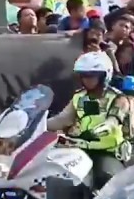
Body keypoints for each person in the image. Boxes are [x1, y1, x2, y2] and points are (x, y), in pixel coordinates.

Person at [46, 52, 129, 187]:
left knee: (108, 178)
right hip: (80, 148)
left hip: (107, 151)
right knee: (61, 175)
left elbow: (114, 119)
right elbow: (62, 119)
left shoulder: (118, 98)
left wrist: (105, 127)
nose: (87, 79)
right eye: (84, 76)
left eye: (92, 76)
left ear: (104, 76)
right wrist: (37, 124)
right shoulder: (79, 97)